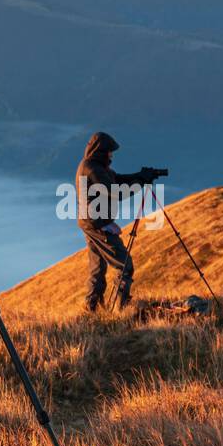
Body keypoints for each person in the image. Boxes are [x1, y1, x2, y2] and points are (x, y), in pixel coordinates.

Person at [75, 131, 154, 312]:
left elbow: (116, 178)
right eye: (109, 151)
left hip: (90, 222)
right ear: (101, 151)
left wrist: (140, 175)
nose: (111, 155)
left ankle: (91, 307)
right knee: (125, 264)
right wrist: (141, 183)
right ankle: (121, 309)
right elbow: (116, 192)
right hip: (97, 224)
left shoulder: (93, 165)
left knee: (98, 266)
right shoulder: (93, 169)